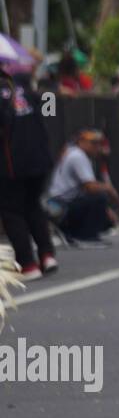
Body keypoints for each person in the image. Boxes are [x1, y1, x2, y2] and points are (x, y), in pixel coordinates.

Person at [0, 71, 57, 277]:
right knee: (33, 205)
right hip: (39, 157)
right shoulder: (24, 85)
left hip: (11, 163)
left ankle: (28, 263)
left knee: (11, 211)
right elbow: (50, 108)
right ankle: (47, 254)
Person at [47, 129, 119, 245]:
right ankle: (84, 236)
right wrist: (109, 188)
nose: (97, 147)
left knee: (106, 218)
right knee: (100, 197)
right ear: (81, 142)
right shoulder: (78, 156)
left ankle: (72, 232)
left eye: (98, 144)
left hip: (60, 204)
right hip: (59, 206)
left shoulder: (74, 152)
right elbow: (90, 187)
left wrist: (106, 210)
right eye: (93, 143)